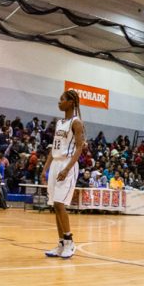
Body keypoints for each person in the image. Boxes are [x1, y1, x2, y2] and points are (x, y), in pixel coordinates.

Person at [44, 89, 87, 259]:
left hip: (67, 164)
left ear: (71, 102)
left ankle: (70, 242)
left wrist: (67, 168)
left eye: (62, 100)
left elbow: (80, 147)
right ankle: (61, 243)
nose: (59, 102)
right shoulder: (60, 122)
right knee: (55, 205)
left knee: (60, 204)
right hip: (56, 163)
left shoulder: (76, 123)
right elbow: (53, 148)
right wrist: (45, 168)